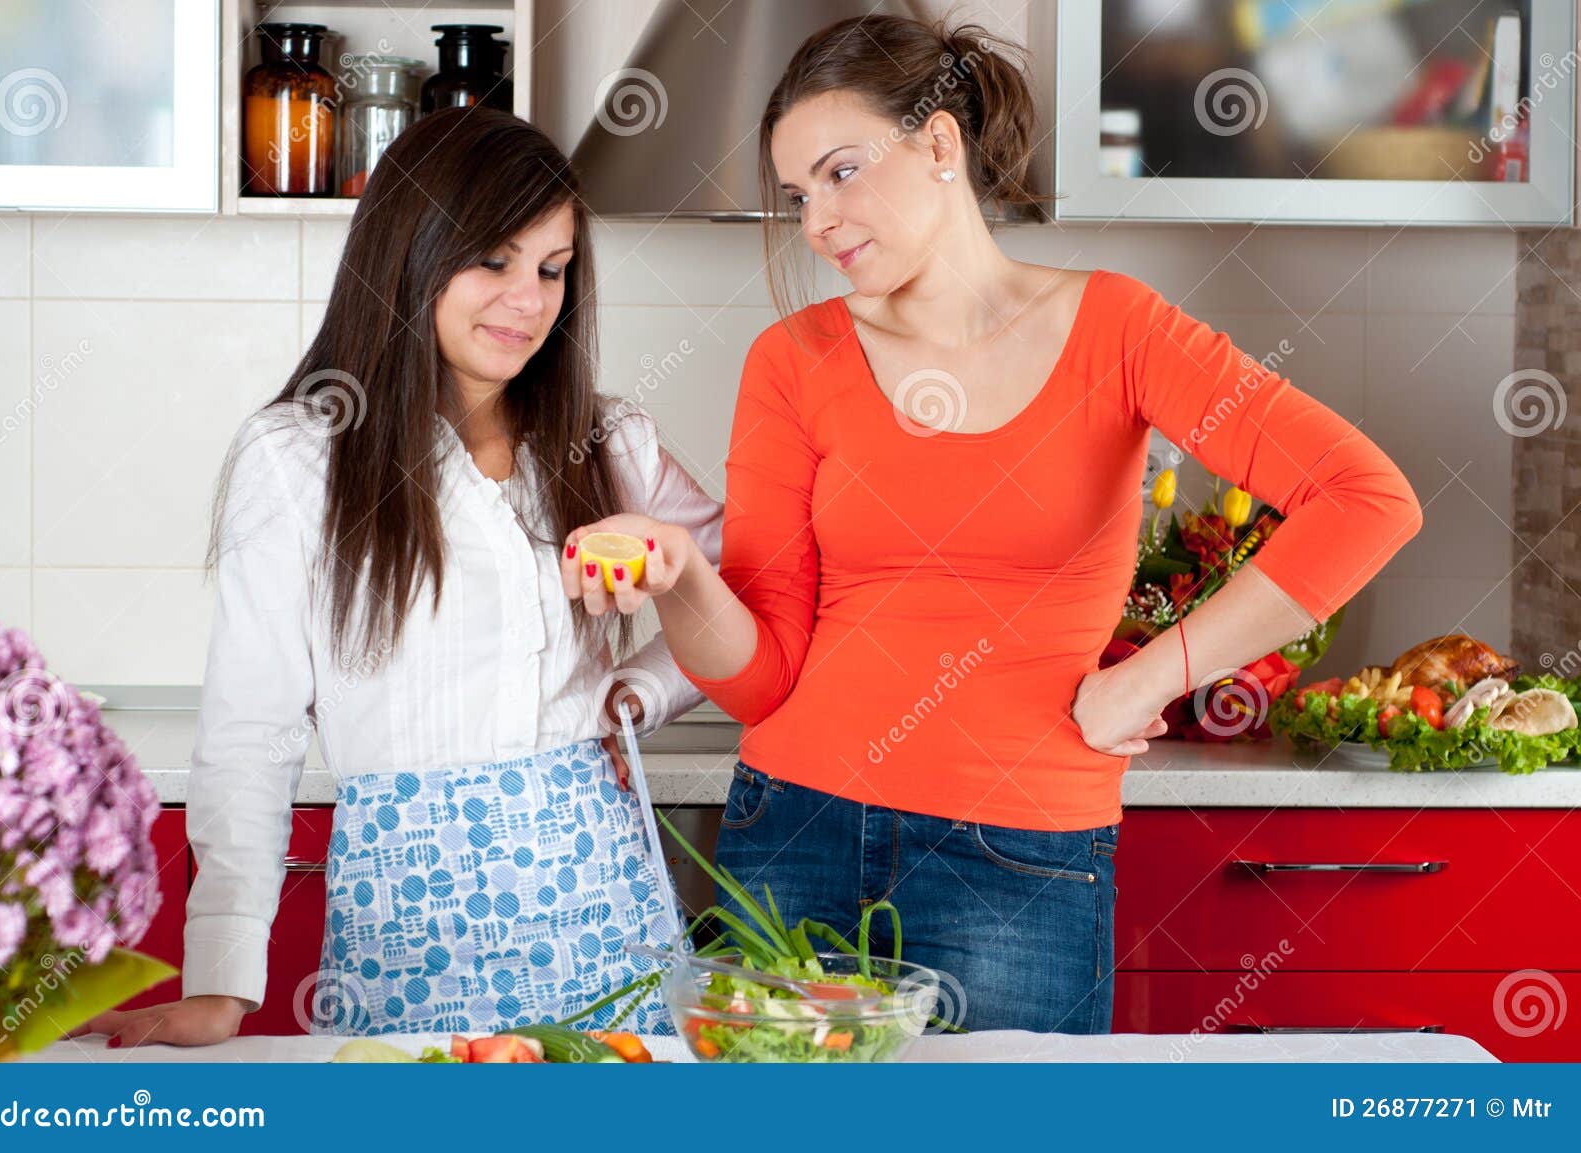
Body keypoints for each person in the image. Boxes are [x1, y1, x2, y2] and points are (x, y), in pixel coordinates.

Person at [560, 15, 1421, 1034]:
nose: (817, 222)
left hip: (1020, 855)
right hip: (792, 832)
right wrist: (681, 576)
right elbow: (761, 678)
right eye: (797, 196)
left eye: (840, 173)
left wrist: (1150, 677)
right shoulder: (793, 360)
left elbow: (1366, 499)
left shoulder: (1119, 330)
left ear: (939, 143)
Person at [74, 108, 722, 1049]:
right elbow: (252, 733)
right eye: (494, 260)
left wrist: (641, 690)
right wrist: (221, 979)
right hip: (408, 933)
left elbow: (745, 575)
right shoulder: (301, 457)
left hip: (607, 921)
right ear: (408, 251)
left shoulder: (606, 441)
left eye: (553, 268)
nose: (529, 300)